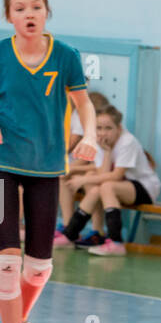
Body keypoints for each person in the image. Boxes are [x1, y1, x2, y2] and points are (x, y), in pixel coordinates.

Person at [0, 0, 97, 323]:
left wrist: (89, 134)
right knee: (7, 261)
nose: (29, 14)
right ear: (9, 16)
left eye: (36, 7)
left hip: (46, 168)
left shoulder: (66, 57)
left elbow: (83, 103)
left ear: (46, 13)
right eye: (20, 8)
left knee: (38, 267)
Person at [58, 105, 160, 256]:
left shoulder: (128, 141)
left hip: (145, 187)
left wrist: (83, 179)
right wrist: (106, 151)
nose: (103, 132)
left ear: (118, 128)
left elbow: (116, 175)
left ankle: (116, 242)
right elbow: (103, 173)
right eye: (98, 128)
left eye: (108, 128)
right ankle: (70, 235)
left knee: (106, 187)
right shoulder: (101, 142)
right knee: (96, 190)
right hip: (121, 185)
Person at [45, 89, 115, 241]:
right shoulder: (92, 130)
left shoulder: (103, 136)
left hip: (110, 177)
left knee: (90, 180)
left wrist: (72, 170)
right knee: (66, 177)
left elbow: (97, 165)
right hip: (94, 170)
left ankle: (96, 230)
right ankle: (68, 225)